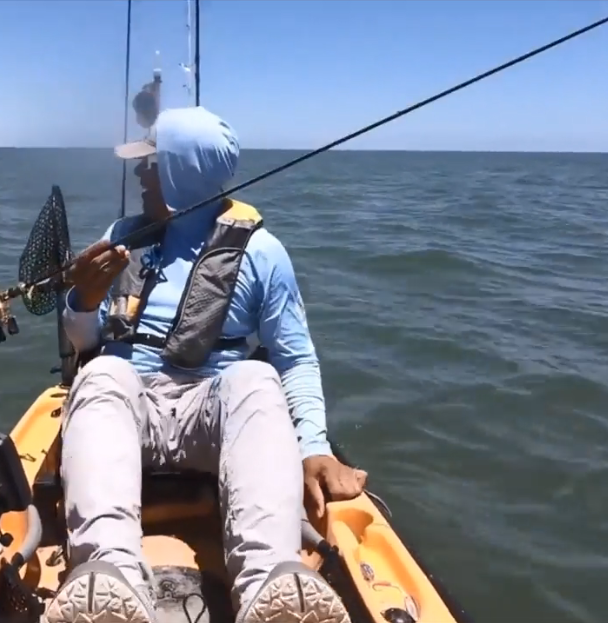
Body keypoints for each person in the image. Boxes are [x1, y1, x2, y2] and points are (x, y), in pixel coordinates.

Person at [45, 106, 368, 623]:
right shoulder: (123, 236)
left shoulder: (263, 253)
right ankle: (110, 585)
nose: (139, 171)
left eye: (151, 162)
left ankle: (272, 590)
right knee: (101, 372)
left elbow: (296, 357)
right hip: (131, 403)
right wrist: (84, 299)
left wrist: (313, 444)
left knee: (256, 377)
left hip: (213, 414)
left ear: (179, 172)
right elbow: (84, 342)